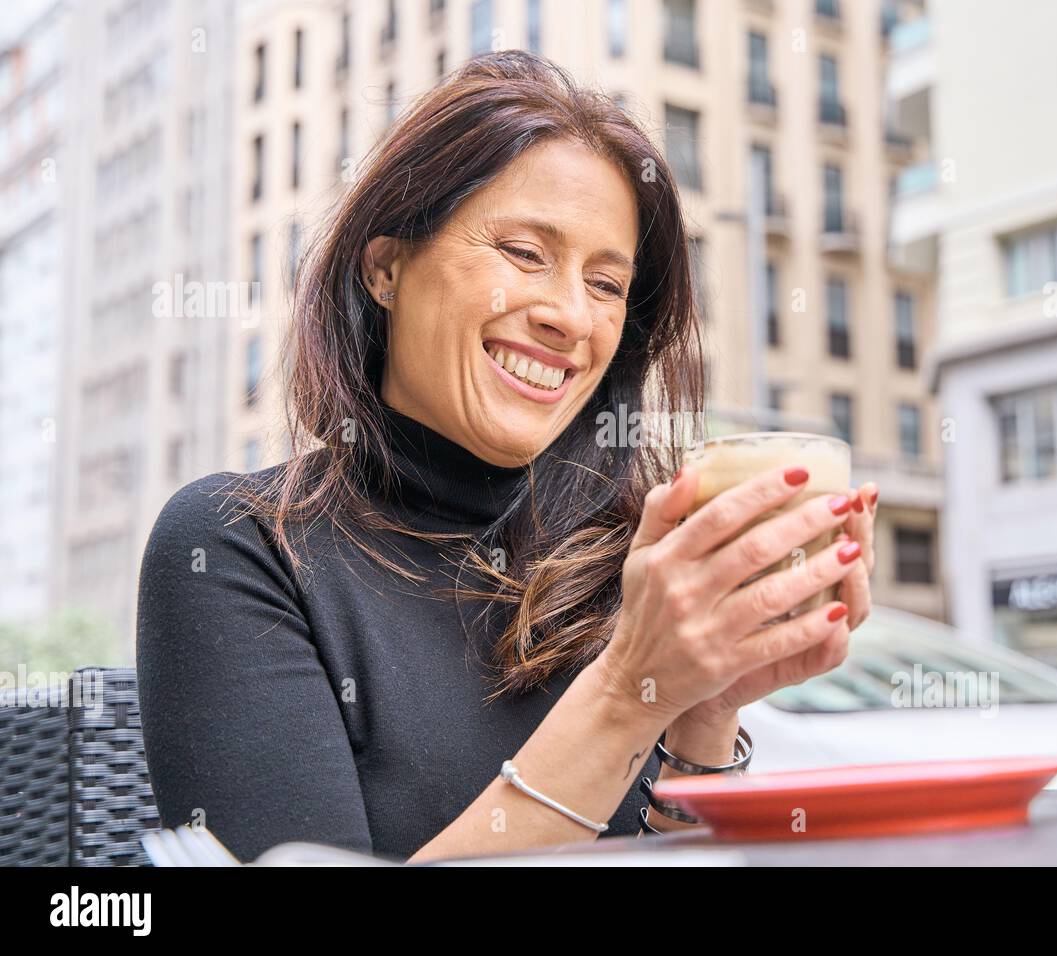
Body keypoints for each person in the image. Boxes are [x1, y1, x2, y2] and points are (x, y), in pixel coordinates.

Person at [135, 51, 878, 864]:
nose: (569, 316)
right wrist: (628, 693)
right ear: (386, 267)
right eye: (525, 253)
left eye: (605, 284)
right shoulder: (237, 546)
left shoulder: (630, 559)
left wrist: (706, 711)